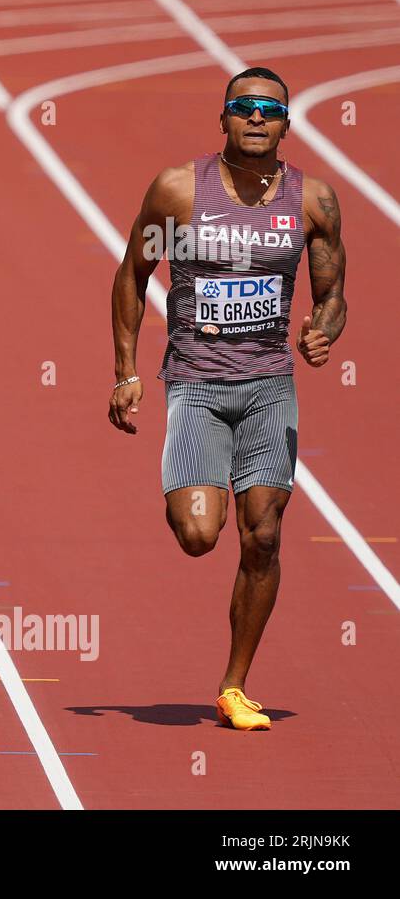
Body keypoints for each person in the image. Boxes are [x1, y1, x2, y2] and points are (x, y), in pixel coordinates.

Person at [109, 67, 347, 730]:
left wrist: (323, 330)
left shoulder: (313, 202)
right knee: (196, 536)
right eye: (242, 107)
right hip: (196, 384)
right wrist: (125, 369)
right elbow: (132, 274)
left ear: (286, 124)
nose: (255, 118)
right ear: (222, 118)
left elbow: (333, 294)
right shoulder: (179, 192)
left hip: (270, 387)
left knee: (264, 536)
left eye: (269, 110)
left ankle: (234, 686)